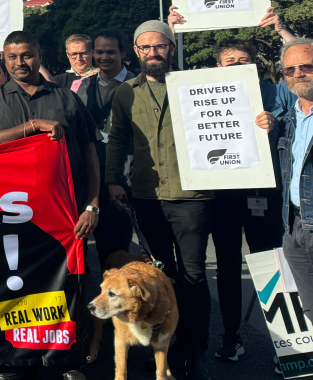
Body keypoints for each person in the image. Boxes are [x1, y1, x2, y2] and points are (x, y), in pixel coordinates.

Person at [105, 20, 274, 380]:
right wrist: (112, 181)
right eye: (145, 47)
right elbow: (117, 139)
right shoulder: (124, 94)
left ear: (172, 48)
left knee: (194, 276)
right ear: (136, 52)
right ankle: (164, 339)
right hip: (146, 195)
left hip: (192, 196)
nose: (153, 53)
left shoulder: (198, 86)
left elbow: (233, 118)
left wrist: (261, 123)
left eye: (161, 46)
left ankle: (193, 347)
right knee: (160, 275)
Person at [0, 30, 100, 380]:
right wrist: (31, 127)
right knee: (15, 284)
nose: (20, 63)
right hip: (13, 213)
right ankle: (16, 360)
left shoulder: (66, 97)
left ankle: (67, 360)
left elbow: (91, 151)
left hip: (66, 215)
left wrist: (92, 205)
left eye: (27, 55)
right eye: (12, 57)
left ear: (40, 54)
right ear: (3, 58)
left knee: (68, 285)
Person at [208, 37, 285, 361]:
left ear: (254, 63)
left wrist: (276, 124)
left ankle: (287, 348)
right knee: (226, 267)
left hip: (263, 194)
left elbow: (295, 124)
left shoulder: (273, 93)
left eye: (244, 60)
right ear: (218, 67)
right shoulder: (206, 94)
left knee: (271, 268)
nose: (238, 66)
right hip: (224, 194)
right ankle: (230, 337)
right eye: (231, 61)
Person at [74, 30, 134, 269]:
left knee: (117, 251)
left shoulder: (135, 84)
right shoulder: (84, 87)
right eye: (99, 52)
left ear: (123, 53)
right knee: (88, 251)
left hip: (126, 179)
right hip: (92, 179)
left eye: (111, 52)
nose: (104, 57)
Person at [279, 38, 313, 327]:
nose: (298, 73)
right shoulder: (289, 119)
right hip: (293, 225)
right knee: (311, 307)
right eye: (290, 70)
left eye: (306, 66)